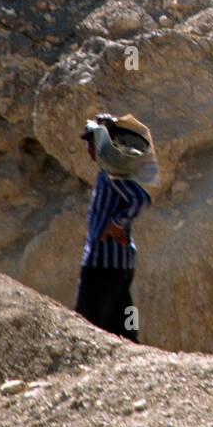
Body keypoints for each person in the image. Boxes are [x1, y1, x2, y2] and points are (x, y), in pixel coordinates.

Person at [75, 113, 157, 342]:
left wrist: (116, 224)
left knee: (87, 327)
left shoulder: (112, 172)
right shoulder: (110, 172)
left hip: (103, 264)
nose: (88, 148)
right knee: (122, 329)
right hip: (118, 263)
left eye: (91, 141)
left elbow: (141, 199)